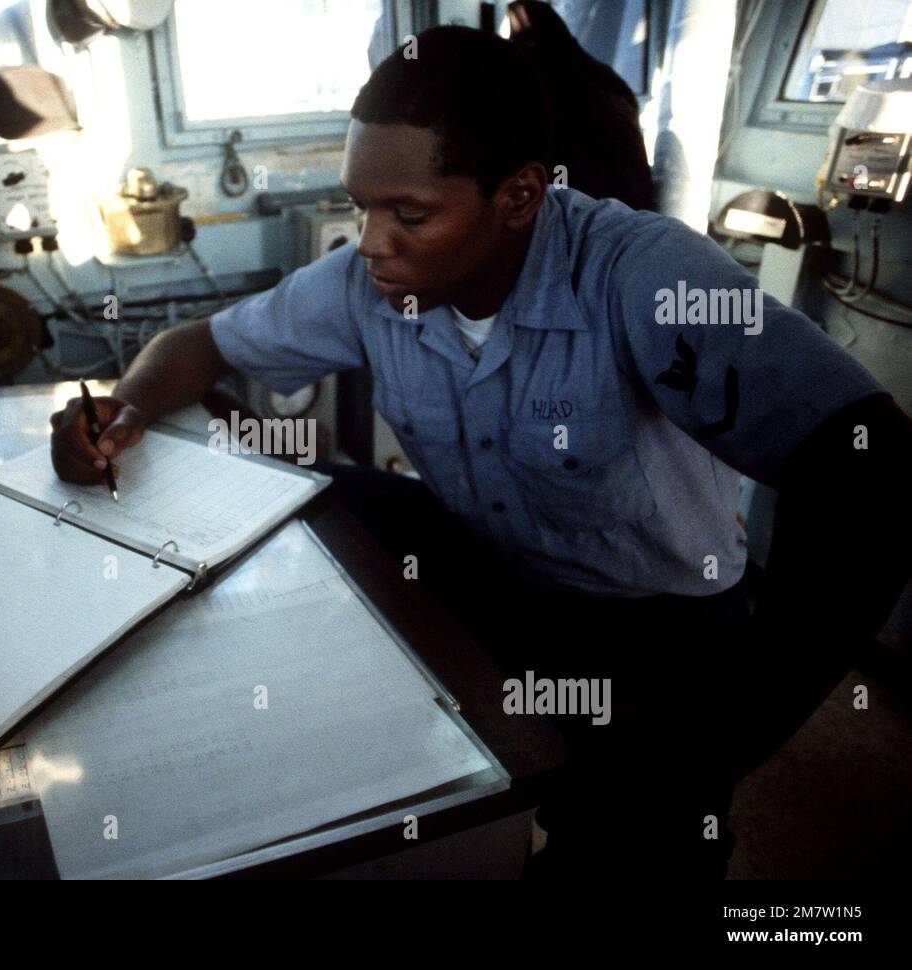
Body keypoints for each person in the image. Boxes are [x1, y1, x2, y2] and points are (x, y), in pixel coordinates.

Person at [49, 27, 911, 879]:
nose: (371, 241)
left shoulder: (643, 276)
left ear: (520, 195)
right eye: (361, 205)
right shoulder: (369, 280)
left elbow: (872, 472)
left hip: (656, 624)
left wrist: (732, 733)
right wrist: (118, 412)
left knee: (634, 843)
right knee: (311, 496)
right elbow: (200, 345)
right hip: (496, 563)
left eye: (407, 213)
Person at [507, 0, 654, 210]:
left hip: (585, 200)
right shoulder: (604, 77)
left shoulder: (546, 86)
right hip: (629, 202)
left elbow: (559, 163)